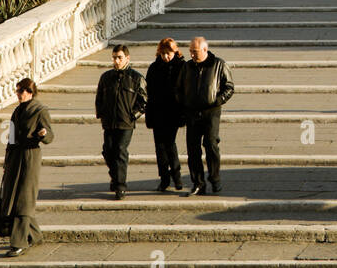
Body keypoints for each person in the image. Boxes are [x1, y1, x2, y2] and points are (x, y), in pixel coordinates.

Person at [0, 78, 53, 256]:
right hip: (15, 157)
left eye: (21, 91)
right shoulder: (17, 111)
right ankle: (35, 235)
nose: (18, 94)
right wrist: (7, 161)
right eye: (17, 91)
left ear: (30, 92)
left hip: (30, 157)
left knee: (24, 198)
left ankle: (18, 242)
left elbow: (50, 135)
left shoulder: (40, 110)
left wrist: (43, 134)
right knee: (12, 196)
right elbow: (11, 138)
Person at [175, 36, 235, 196]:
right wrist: (183, 103)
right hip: (192, 112)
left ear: (205, 50)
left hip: (211, 111)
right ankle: (198, 183)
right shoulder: (187, 67)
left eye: (195, 52)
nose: (192, 55)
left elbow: (229, 87)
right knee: (192, 149)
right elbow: (179, 88)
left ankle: (215, 179)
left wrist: (217, 100)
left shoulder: (219, 65)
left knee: (211, 145)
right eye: (190, 52)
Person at [95, 44, 147, 199]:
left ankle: (120, 186)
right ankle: (116, 176)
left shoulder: (136, 77)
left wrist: (133, 115)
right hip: (109, 121)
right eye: (114, 57)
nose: (116, 61)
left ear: (127, 58)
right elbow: (99, 98)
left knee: (120, 150)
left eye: (119, 57)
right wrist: (101, 115)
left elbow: (144, 100)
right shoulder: (106, 77)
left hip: (126, 121)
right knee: (108, 150)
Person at [145, 37, 186, 192]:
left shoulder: (182, 66)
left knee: (169, 144)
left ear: (175, 52)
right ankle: (164, 178)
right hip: (157, 111)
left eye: (169, 53)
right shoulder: (154, 68)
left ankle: (176, 176)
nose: (166, 57)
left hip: (174, 111)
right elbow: (148, 90)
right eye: (163, 54)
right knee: (159, 146)